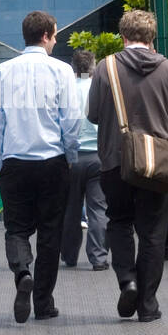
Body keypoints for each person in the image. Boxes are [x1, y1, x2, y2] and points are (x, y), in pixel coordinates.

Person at [86, 9, 168, 323]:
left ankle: (128, 281)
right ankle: (148, 305)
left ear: (123, 36)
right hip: (158, 163)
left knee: (119, 222)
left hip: (116, 160)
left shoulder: (105, 67)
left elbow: (93, 114)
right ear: (151, 38)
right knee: (152, 233)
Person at [0, 11, 80, 322]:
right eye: (54, 35)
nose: (55, 41)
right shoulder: (62, 71)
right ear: (45, 36)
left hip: (14, 161)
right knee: (50, 232)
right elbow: (71, 121)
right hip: (52, 161)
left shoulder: (2, 71)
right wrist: (70, 156)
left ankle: (22, 272)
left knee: (15, 228)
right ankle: (43, 302)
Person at [61, 49, 109, 271]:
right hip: (98, 157)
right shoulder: (100, 88)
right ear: (93, 67)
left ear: (73, 67)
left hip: (71, 158)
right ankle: (98, 257)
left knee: (70, 209)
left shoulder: (66, 89)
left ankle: (69, 255)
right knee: (98, 209)